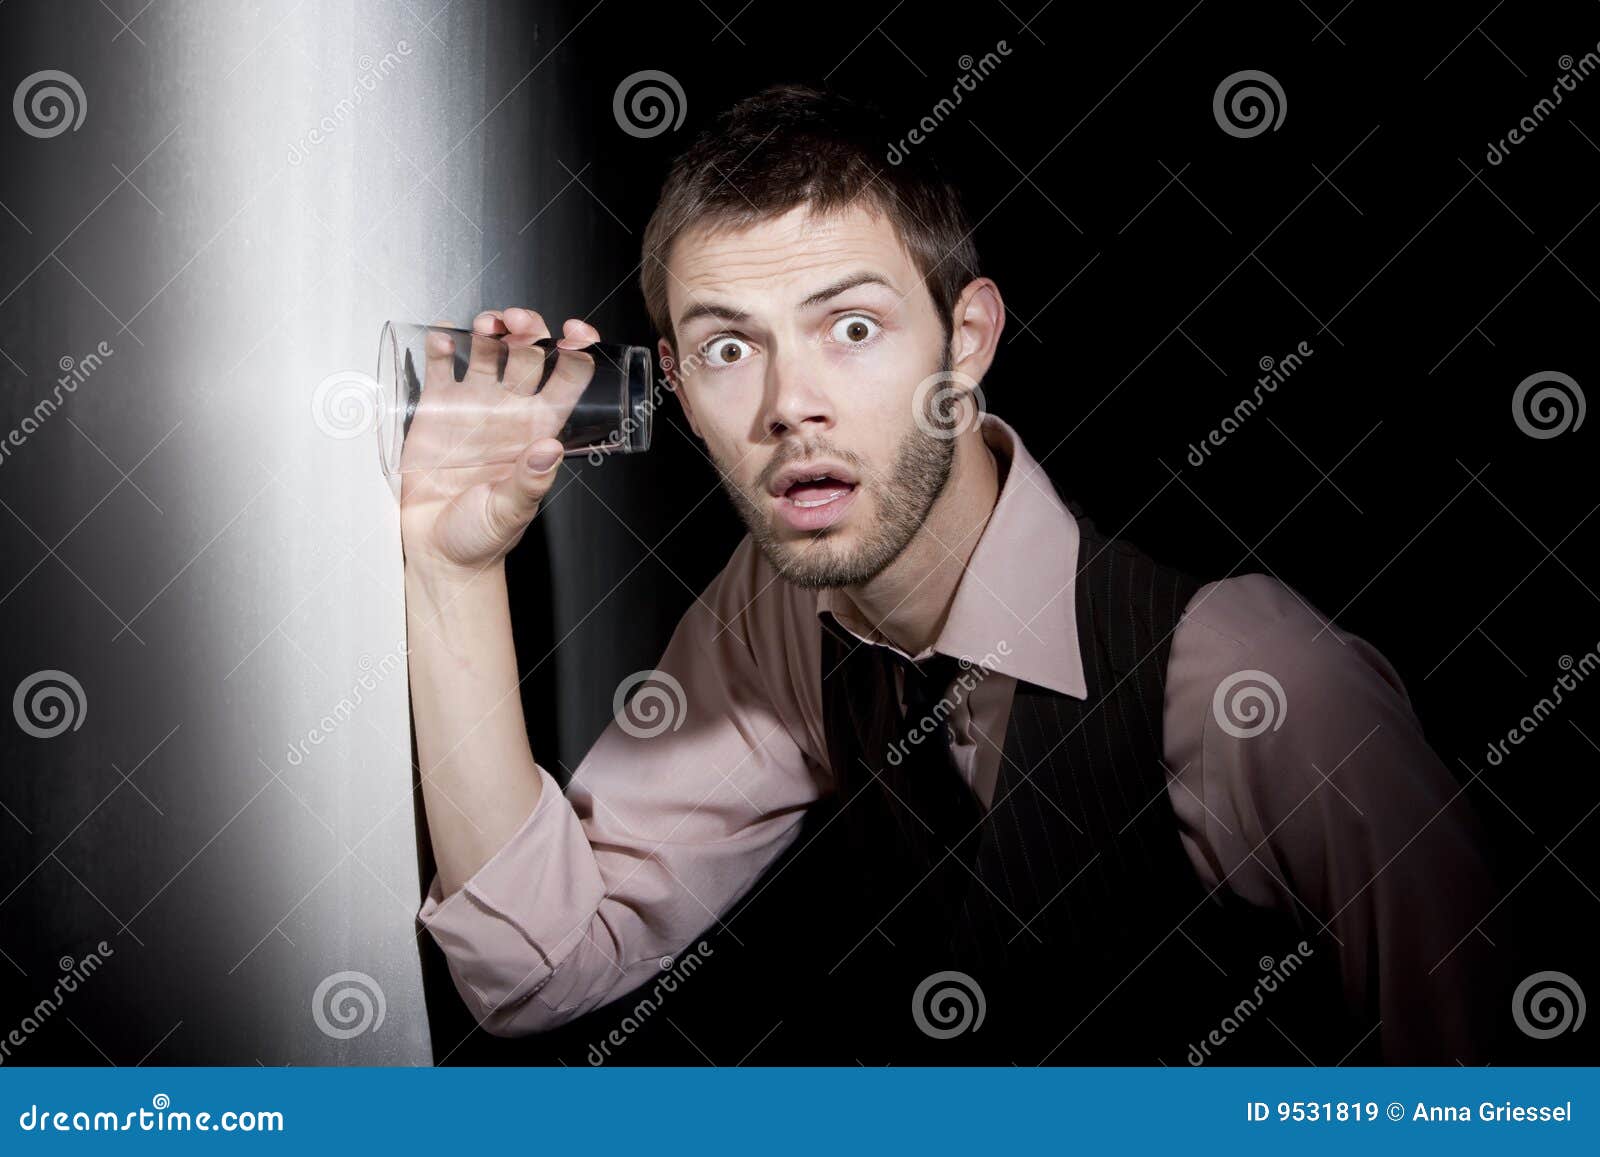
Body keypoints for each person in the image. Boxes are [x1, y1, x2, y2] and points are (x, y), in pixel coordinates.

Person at [401, 84, 1504, 1064]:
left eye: (853, 326)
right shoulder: (781, 609)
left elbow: (1490, 1097)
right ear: (680, 393)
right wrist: (455, 567)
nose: (790, 403)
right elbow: (543, 962)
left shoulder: (1255, 686)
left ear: (966, 337)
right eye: (729, 349)